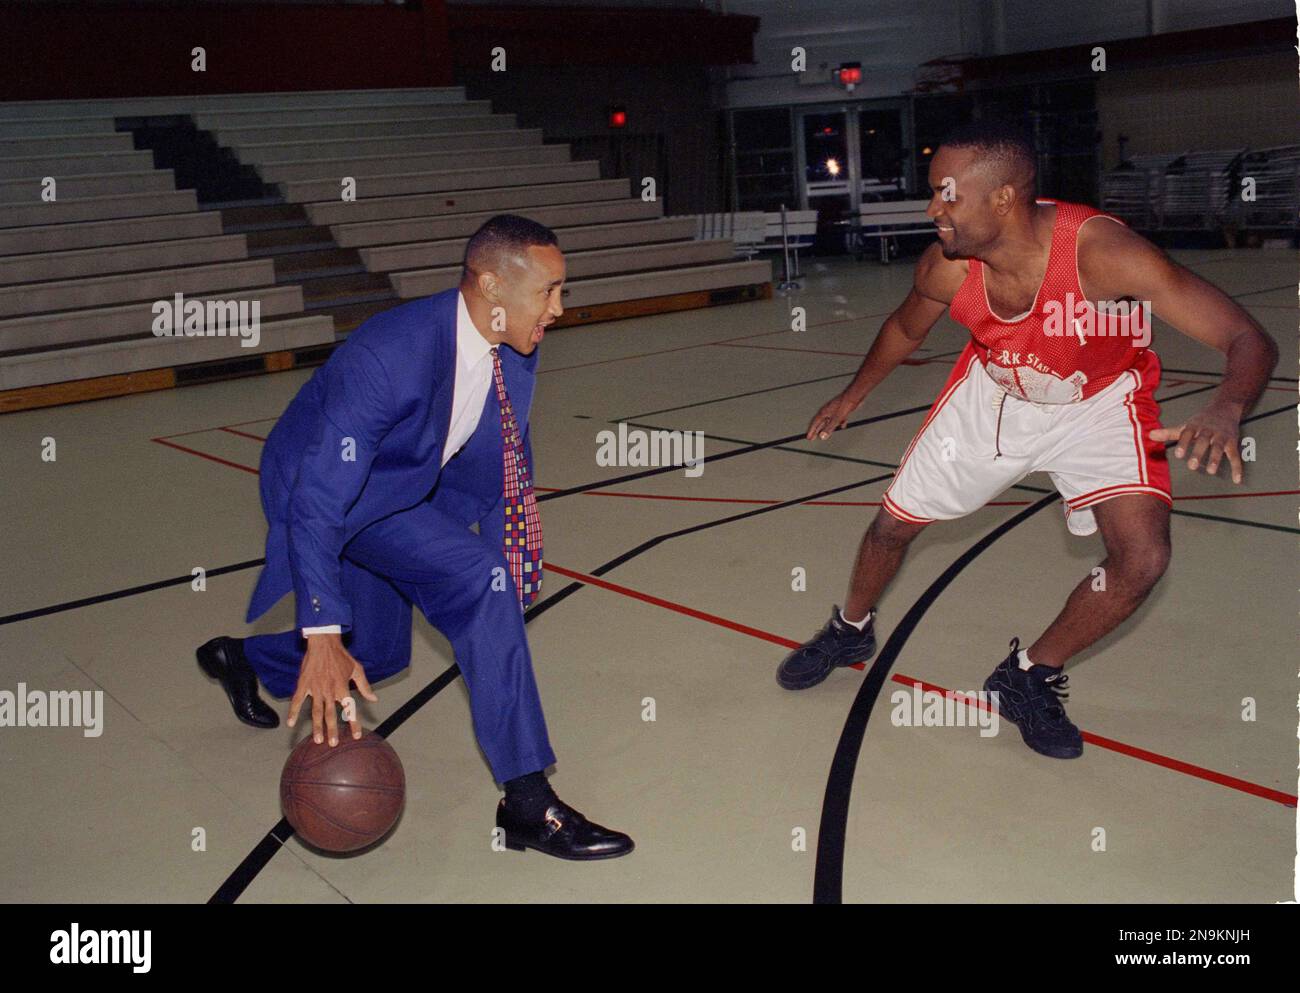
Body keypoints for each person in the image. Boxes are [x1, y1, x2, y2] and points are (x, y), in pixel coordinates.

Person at [777, 119, 1278, 760]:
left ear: (1005, 198)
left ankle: (1027, 676)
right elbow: (905, 329)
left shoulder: (1104, 254)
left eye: (947, 193)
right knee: (892, 527)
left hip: (1099, 403)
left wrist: (1227, 406)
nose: (933, 208)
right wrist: (854, 394)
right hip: (994, 397)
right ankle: (850, 629)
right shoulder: (948, 267)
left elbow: (1247, 338)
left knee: (1142, 559)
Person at [198, 213, 633, 859]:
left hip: (399, 485)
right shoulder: (388, 355)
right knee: (473, 584)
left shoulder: (514, 347)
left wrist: (509, 540)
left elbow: (505, 450)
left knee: (376, 654)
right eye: (548, 290)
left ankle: (244, 658)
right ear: (490, 286)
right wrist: (320, 628)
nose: (560, 308)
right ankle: (529, 806)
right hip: (321, 489)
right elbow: (320, 494)